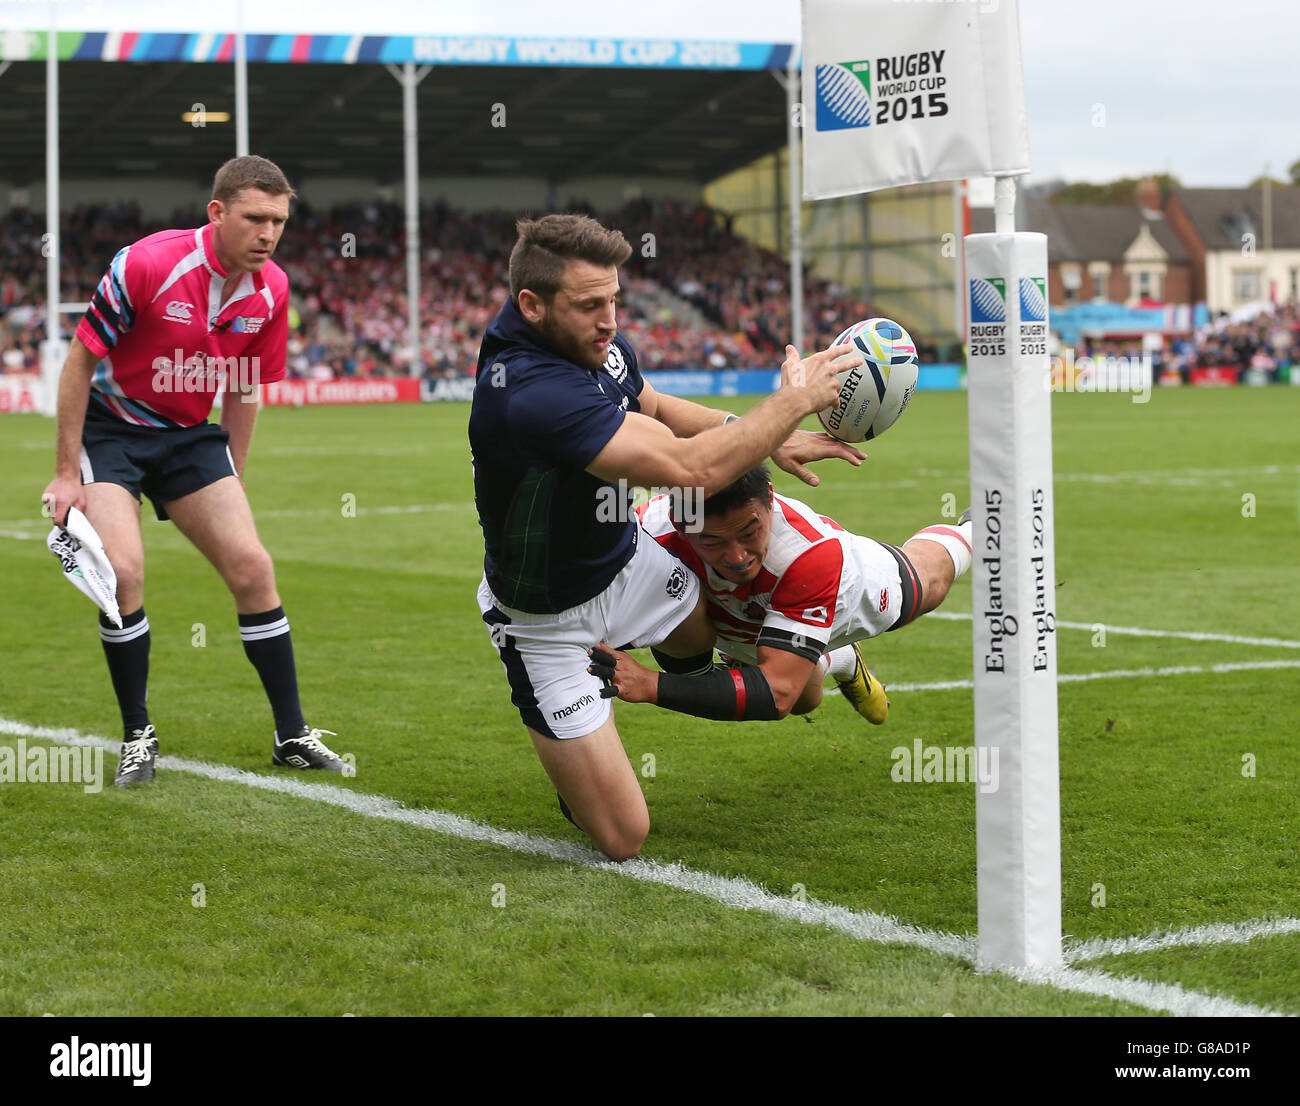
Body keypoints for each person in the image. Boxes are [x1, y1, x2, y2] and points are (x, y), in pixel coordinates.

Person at [472, 213, 863, 861]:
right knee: (624, 838)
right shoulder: (529, 393)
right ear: (532, 305)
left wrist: (765, 431)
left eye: (615, 301)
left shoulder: (591, 348)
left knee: (791, 687)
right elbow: (692, 469)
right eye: (590, 305)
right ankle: (581, 747)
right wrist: (789, 404)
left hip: (629, 567)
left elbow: (655, 407)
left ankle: (834, 662)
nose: (609, 320)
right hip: (547, 620)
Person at [41, 155, 346, 786]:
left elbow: (245, 388)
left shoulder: (273, 289)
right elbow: (77, 365)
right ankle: (137, 736)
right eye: (255, 218)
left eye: (279, 221)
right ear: (217, 212)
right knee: (123, 572)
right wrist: (67, 474)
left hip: (188, 438)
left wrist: (233, 473)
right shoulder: (147, 263)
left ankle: (291, 734)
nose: (268, 233)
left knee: (253, 567)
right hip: (113, 429)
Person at [588, 464, 972, 725]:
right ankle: (832, 660)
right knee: (805, 699)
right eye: (713, 540)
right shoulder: (647, 536)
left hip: (840, 599)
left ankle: (979, 526)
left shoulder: (811, 556)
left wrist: (650, 685)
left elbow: (776, 694)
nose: (737, 557)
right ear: (680, 524)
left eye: (750, 531)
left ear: (770, 499)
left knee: (929, 582)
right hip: (730, 616)